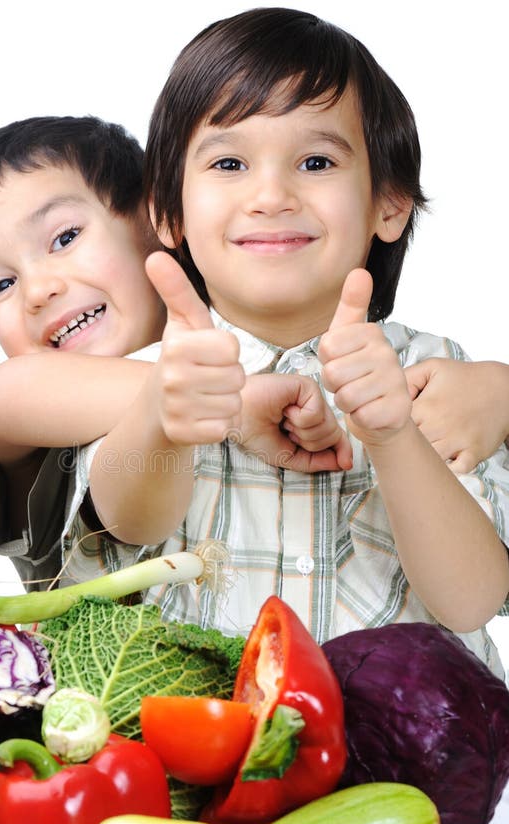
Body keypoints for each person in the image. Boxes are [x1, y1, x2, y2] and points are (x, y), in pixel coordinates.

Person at [61, 7, 509, 677]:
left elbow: (472, 600)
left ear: (387, 202)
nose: (270, 194)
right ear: (168, 211)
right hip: (189, 763)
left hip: (401, 767)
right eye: (230, 162)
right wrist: (162, 416)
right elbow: (126, 524)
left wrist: (393, 438)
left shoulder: (433, 375)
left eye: (315, 160)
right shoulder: (146, 372)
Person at [0, 114, 349, 589]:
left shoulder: (249, 345)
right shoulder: (44, 430)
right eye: (1, 285)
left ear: (155, 221)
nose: (38, 290)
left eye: (65, 238)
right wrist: (231, 403)